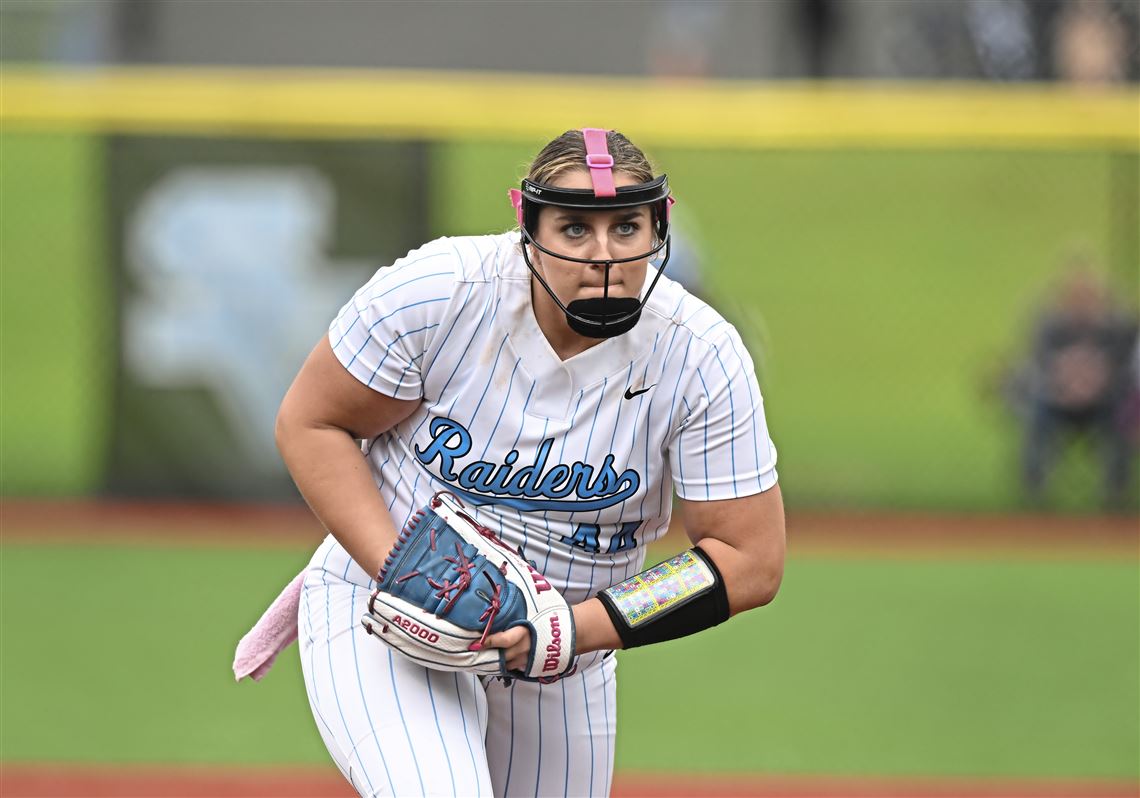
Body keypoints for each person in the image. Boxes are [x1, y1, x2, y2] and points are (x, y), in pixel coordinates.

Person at [266, 128, 785, 797]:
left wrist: (575, 628)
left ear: (659, 229)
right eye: (575, 228)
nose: (604, 254)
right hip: (387, 612)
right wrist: (409, 575)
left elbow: (749, 558)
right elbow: (312, 421)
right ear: (528, 231)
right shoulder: (444, 290)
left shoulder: (700, 354)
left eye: (626, 227)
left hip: (563, 654)